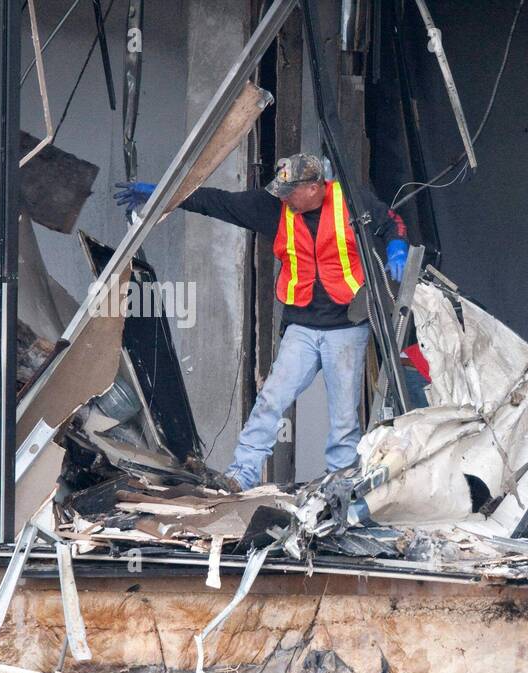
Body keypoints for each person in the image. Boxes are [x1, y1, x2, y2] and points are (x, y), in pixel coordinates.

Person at [114, 152, 410, 491]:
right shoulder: (274, 206)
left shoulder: (352, 201)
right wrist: (163, 193)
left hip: (346, 326)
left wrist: (396, 248)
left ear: (315, 187)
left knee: (344, 418)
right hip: (302, 326)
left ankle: (340, 485)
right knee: (270, 400)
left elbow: (392, 223)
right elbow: (215, 201)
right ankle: (242, 475)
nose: (283, 197)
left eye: (291, 191)